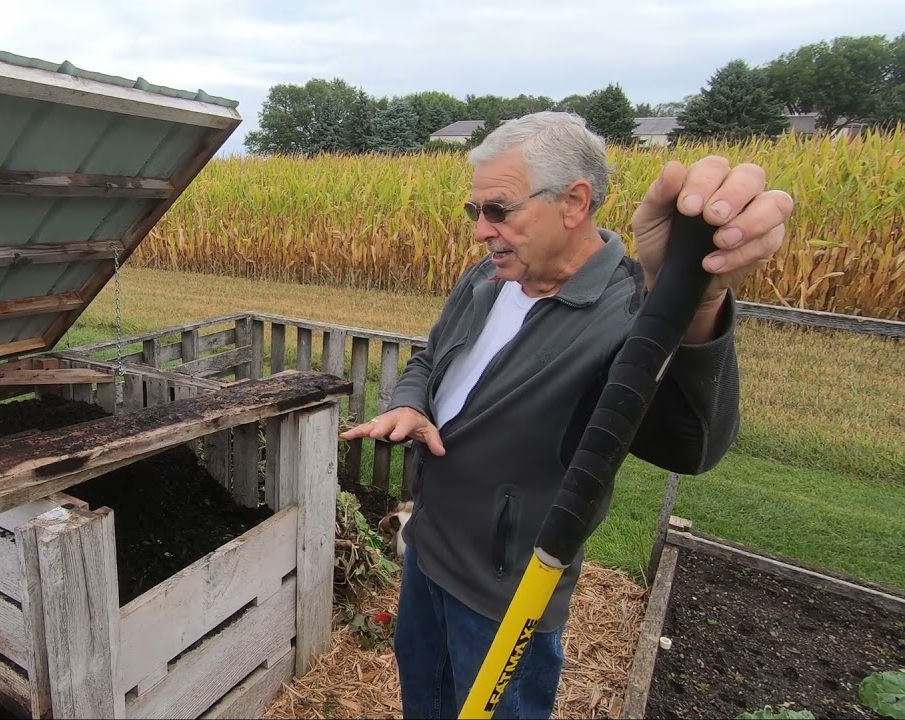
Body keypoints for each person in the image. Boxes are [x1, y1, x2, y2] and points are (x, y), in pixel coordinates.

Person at [339, 111, 791, 719]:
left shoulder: (633, 307)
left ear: (574, 202)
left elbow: (691, 447)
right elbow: (430, 357)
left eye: (498, 210)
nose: (481, 231)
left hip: (509, 590)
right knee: (425, 699)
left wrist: (694, 296)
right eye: (474, 211)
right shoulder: (488, 279)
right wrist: (409, 402)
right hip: (427, 551)